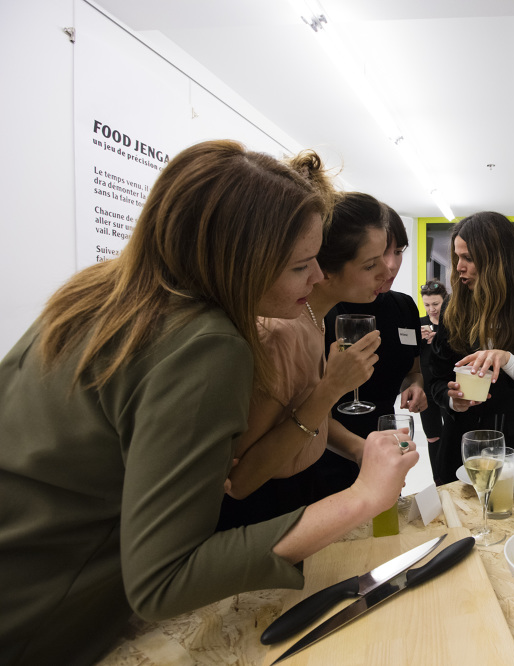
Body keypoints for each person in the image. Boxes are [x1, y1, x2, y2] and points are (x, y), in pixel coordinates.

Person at [0, 140, 418, 665]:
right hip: (36, 620)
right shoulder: (208, 344)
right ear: (240, 263)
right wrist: (362, 498)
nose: (316, 279)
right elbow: (165, 578)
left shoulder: (97, 291)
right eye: (300, 267)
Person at [216, 176, 393, 529]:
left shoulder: (314, 318)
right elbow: (241, 479)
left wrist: (362, 449)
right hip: (263, 512)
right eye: (371, 264)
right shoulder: (283, 333)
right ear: (324, 270)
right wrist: (331, 388)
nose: (387, 272)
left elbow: (300, 414)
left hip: (298, 493)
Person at [426, 212, 514, 485]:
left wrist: (508, 361)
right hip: (461, 452)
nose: (459, 268)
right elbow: (436, 377)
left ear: (497, 258)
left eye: (468, 258)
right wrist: (451, 398)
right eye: (457, 258)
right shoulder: (452, 310)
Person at [326, 205, 427, 439]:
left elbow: (414, 371)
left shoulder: (404, 307)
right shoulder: (325, 310)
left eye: (399, 251)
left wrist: (415, 386)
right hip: (328, 446)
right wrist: (362, 452)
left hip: (384, 435)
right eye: (380, 255)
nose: (390, 265)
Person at [419, 280, 448, 446]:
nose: (432, 309)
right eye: (427, 304)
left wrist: (439, 338)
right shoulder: (418, 324)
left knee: (452, 433)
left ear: (445, 301)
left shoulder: (452, 323)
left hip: (448, 384)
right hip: (426, 387)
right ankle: (436, 473)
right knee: (432, 437)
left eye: (436, 304)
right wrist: (418, 339)